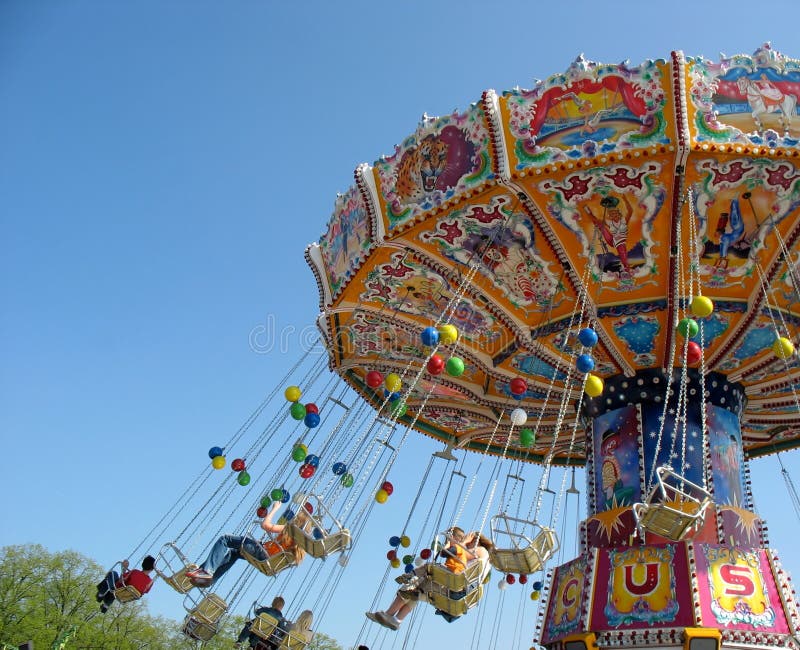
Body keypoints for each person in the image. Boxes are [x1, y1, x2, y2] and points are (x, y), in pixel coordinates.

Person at [366, 529, 492, 630]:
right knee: (417, 593)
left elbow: (460, 552)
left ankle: (388, 614)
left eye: (470, 542)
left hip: (454, 588)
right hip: (456, 593)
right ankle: (396, 620)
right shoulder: (484, 561)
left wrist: (463, 541)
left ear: (475, 541)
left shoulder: (481, 550)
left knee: (414, 584)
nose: (468, 544)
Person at [185, 501, 308, 587]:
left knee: (225, 539)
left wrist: (275, 508)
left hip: (262, 554)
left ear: (297, 521)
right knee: (235, 553)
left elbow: (265, 525)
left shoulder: (291, 529)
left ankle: (207, 571)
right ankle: (210, 579)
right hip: (268, 561)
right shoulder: (301, 544)